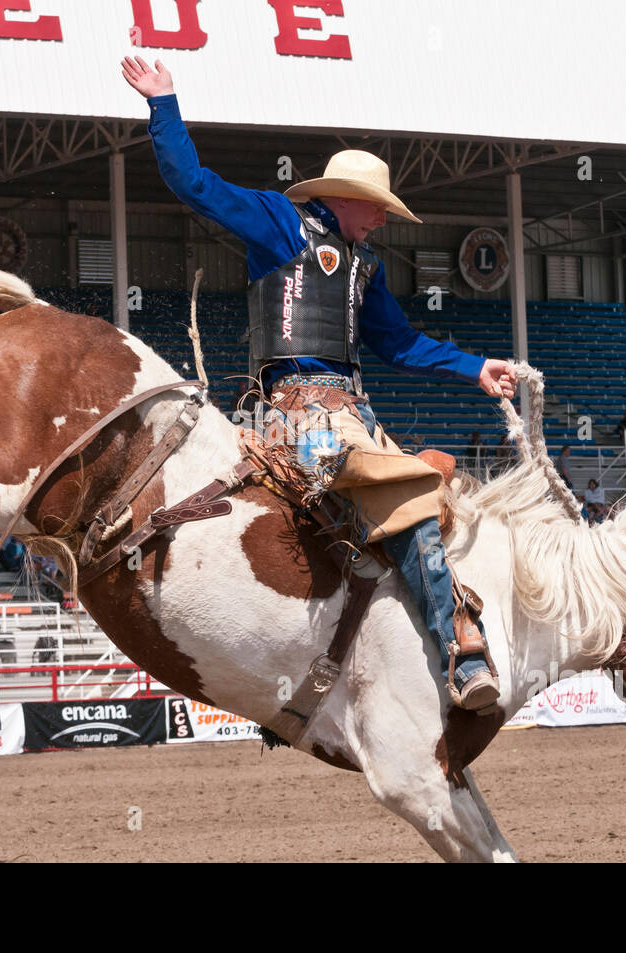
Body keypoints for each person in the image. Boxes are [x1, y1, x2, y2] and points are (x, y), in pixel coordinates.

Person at [123, 57, 518, 710]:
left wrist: (473, 367)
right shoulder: (278, 223)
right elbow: (192, 183)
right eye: (379, 208)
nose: (385, 221)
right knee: (412, 491)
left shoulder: (366, 268)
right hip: (298, 413)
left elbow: (397, 342)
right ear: (344, 198)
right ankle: (459, 645)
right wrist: (164, 104)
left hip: (350, 412)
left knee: (437, 503)